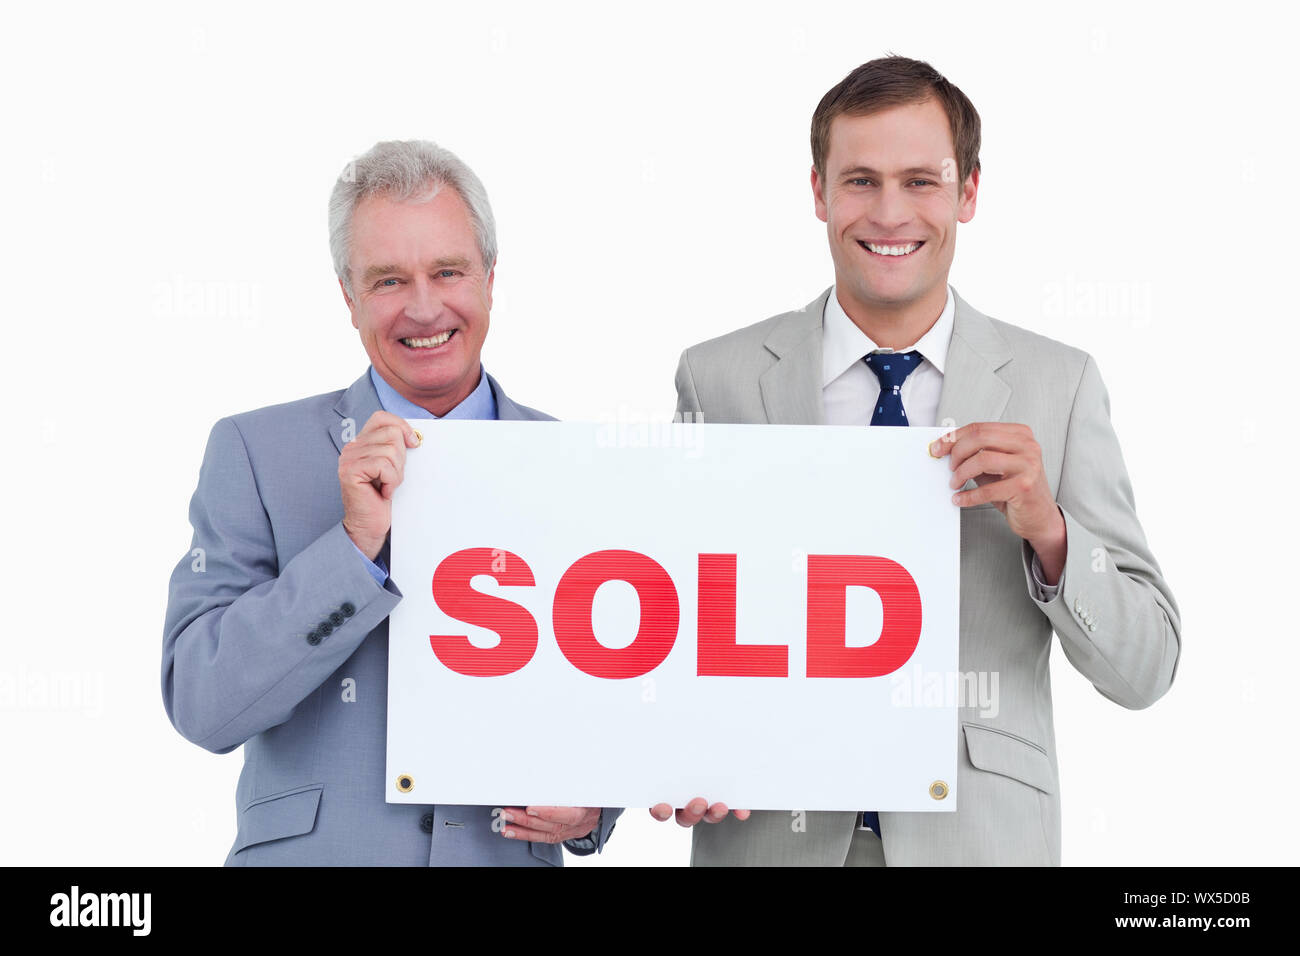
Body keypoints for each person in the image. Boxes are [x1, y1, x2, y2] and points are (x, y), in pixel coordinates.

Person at [654, 56, 1181, 865]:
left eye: (921, 182)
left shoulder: (1059, 386)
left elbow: (1145, 669)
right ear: (819, 192)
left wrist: (1050, 531)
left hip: (978, 840)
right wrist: (674, 751)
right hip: (768, 836)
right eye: (860, 181)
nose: (890, 212)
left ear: (968, 193)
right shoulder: (716, 377)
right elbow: (671, 622)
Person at [162, 140, 618, 865]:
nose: (424, 307)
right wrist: (351, 549)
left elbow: (625, 683)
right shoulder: (253, 452)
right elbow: (203, 704)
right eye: (388, 281)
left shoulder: (580, 465)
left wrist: (597, 804)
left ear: (490, 279)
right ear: (348, 298)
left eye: (448, 271)